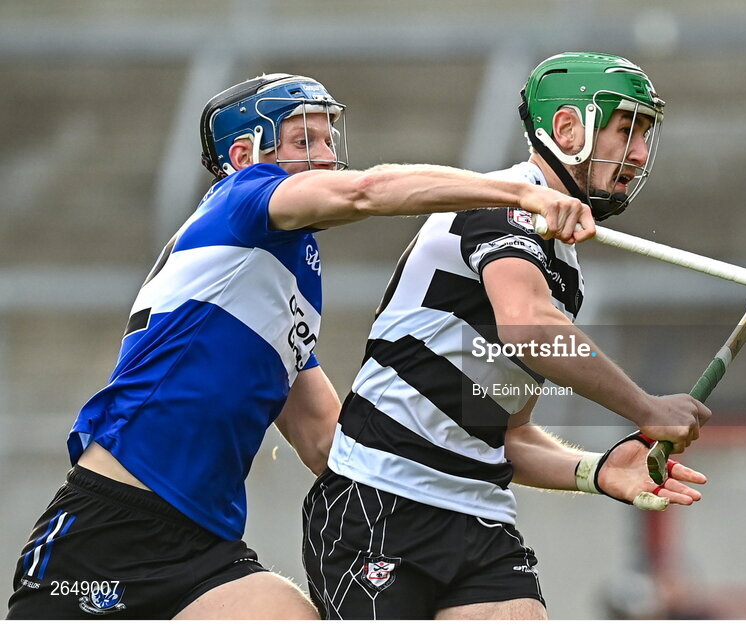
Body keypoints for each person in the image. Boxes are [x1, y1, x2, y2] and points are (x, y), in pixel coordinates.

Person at [7, 73, 594, 619]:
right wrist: (518, 194)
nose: (327, 155)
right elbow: (367, 190)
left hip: (206, 545)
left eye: (328, 137)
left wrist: (477, 459)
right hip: (111, 517)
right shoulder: (241, 200)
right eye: (303, 138)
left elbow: (329, 445)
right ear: (245, 156)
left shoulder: (285, 282)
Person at [303, 52, 712, 619]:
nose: (640, 153)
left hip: (478, 519)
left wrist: (597, 470)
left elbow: (500, 431)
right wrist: (644, 407)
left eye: (645, 135)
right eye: (627, 130)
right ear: (568, 128)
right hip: (382, 504)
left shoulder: (559, 266)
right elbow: (529, 327)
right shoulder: (497, 200)